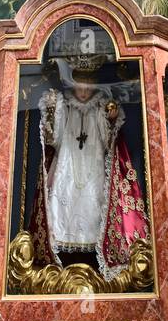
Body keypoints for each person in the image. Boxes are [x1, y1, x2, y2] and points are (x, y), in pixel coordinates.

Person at [29, 62, 149, 277]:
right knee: (61, 205)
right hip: (67, 165)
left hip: (93, 167)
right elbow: (53, 139)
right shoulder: (64, 107)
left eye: (88, 87)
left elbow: (108, 142)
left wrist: (110, 120)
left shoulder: (101, 107)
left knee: (95, 205)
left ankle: (95, 256)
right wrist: (50, 112)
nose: (83, 92)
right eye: (79, 86)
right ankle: (62, 260)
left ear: (95, 87)